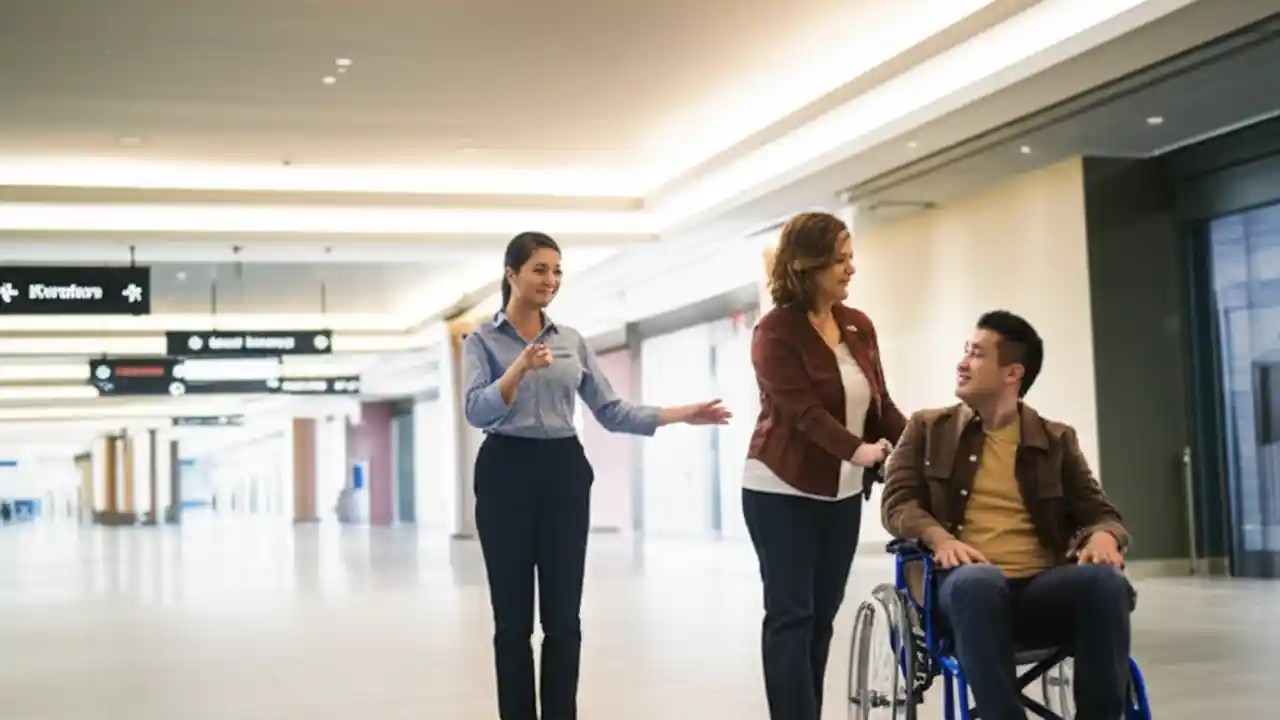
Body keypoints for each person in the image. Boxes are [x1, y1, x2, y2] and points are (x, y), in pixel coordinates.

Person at [462, 231, 731, 720]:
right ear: (512, 276)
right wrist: (518, 368)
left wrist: (680, 413)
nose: (551, 280)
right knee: (512, 622)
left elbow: (610, 410)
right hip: (504, 471)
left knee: (564, 619)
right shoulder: (481, 340)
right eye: (540, 269)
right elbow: (476, 411)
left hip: (563, 469)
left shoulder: (571, 342)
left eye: (557, 270)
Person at [882, 310, 1134, 720]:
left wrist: (1104, 536)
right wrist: (939, 539)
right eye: (965, 351)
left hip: (1039, 590)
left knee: (1105, 583)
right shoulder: (928, 429)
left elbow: (1100, 512)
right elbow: (897, 503)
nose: (963, 362)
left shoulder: (1055, 440)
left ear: (1012, 373)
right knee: (980, 581)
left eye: (977, 354)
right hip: (963, 590)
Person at [743, 211, 907, 720]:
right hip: (780, 490)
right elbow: (801, 412)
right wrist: (857, 450)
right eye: (839, 259)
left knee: (821, 621)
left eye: (851, 257)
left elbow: (880, 405)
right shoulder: (775, 332)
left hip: (839, 494)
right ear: (806, 265)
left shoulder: (858, 325)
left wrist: (921, 444)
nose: (850, 269)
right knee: (792, 616)